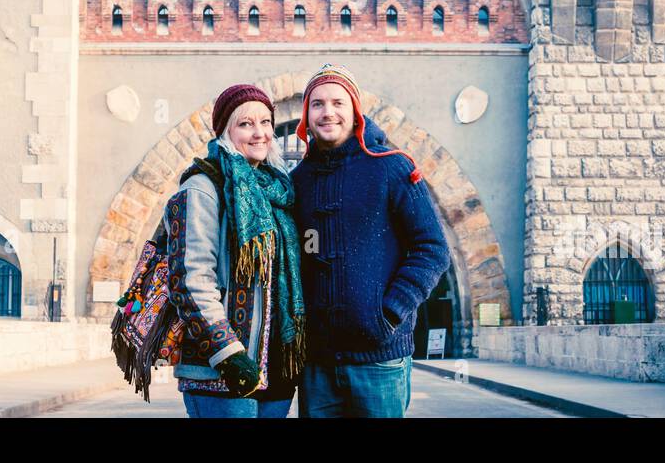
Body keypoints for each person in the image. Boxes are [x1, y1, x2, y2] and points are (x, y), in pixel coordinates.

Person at [292, 64, 450, 417]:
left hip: (380, 360)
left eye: (337, 102)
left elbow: (433, 249)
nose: (327, 112)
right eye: (317, 104)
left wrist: (390, 314)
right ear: (306, 116)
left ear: (355, 111)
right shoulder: (298, 180)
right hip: (318, 365)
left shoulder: (391, 168)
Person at [162, 83, 305, 418]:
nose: (260, 134)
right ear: (225, 131)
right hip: (222, 373)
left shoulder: (278, 191)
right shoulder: (202, 187)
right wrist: (228, 353)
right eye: (245, 124)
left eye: (266, 122)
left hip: (275, 374)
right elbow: (190, 279)